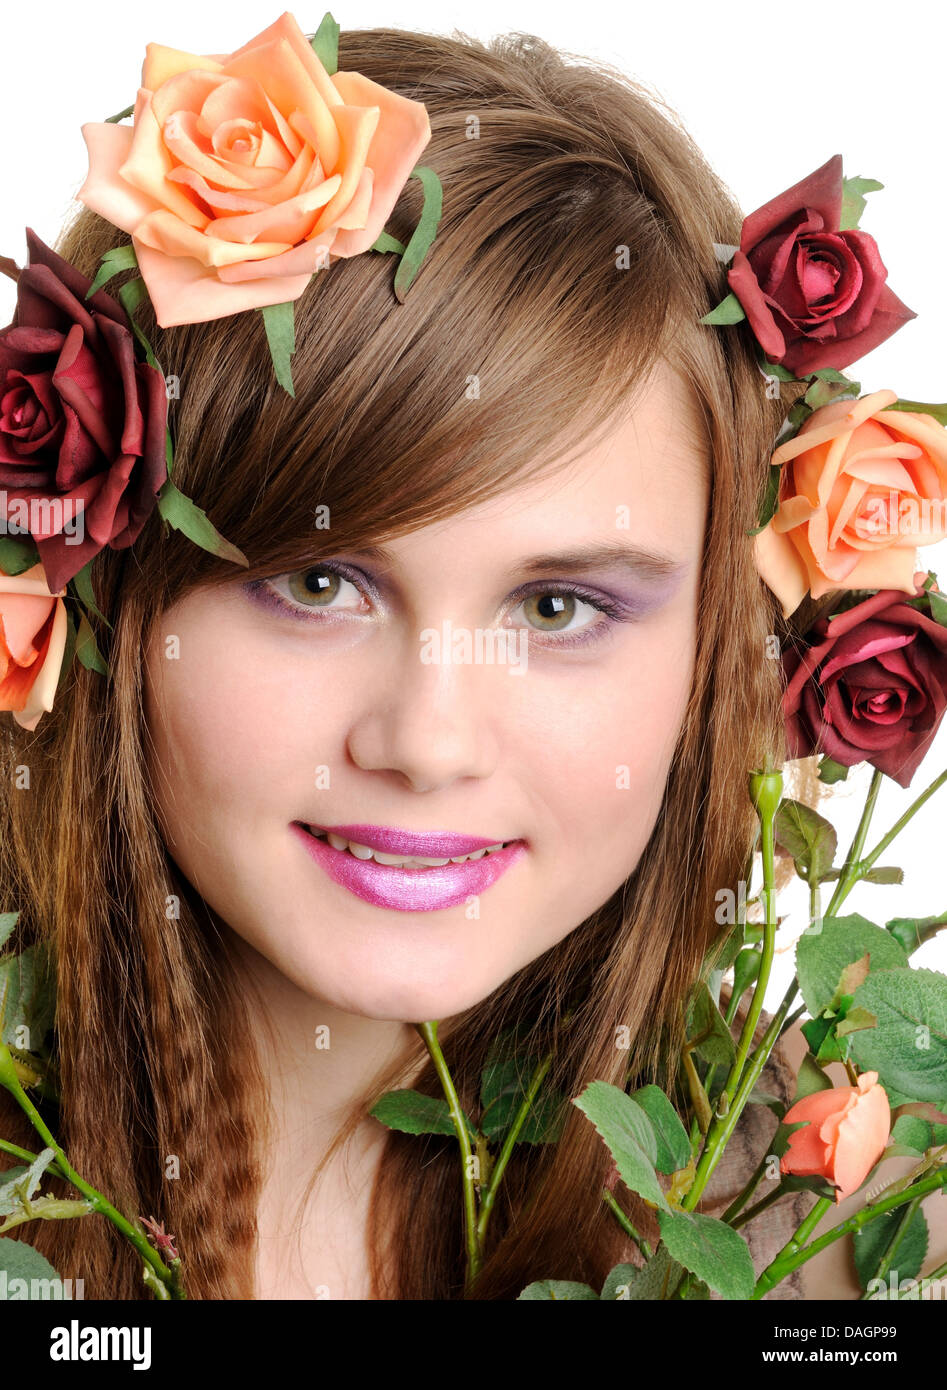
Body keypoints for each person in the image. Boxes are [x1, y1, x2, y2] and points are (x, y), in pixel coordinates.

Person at [0, 20, 939, 1301]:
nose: (428, 740)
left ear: (725, 649)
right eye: (318, 583)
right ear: (100, 591)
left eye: (558, 608)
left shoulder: (865, 1237)